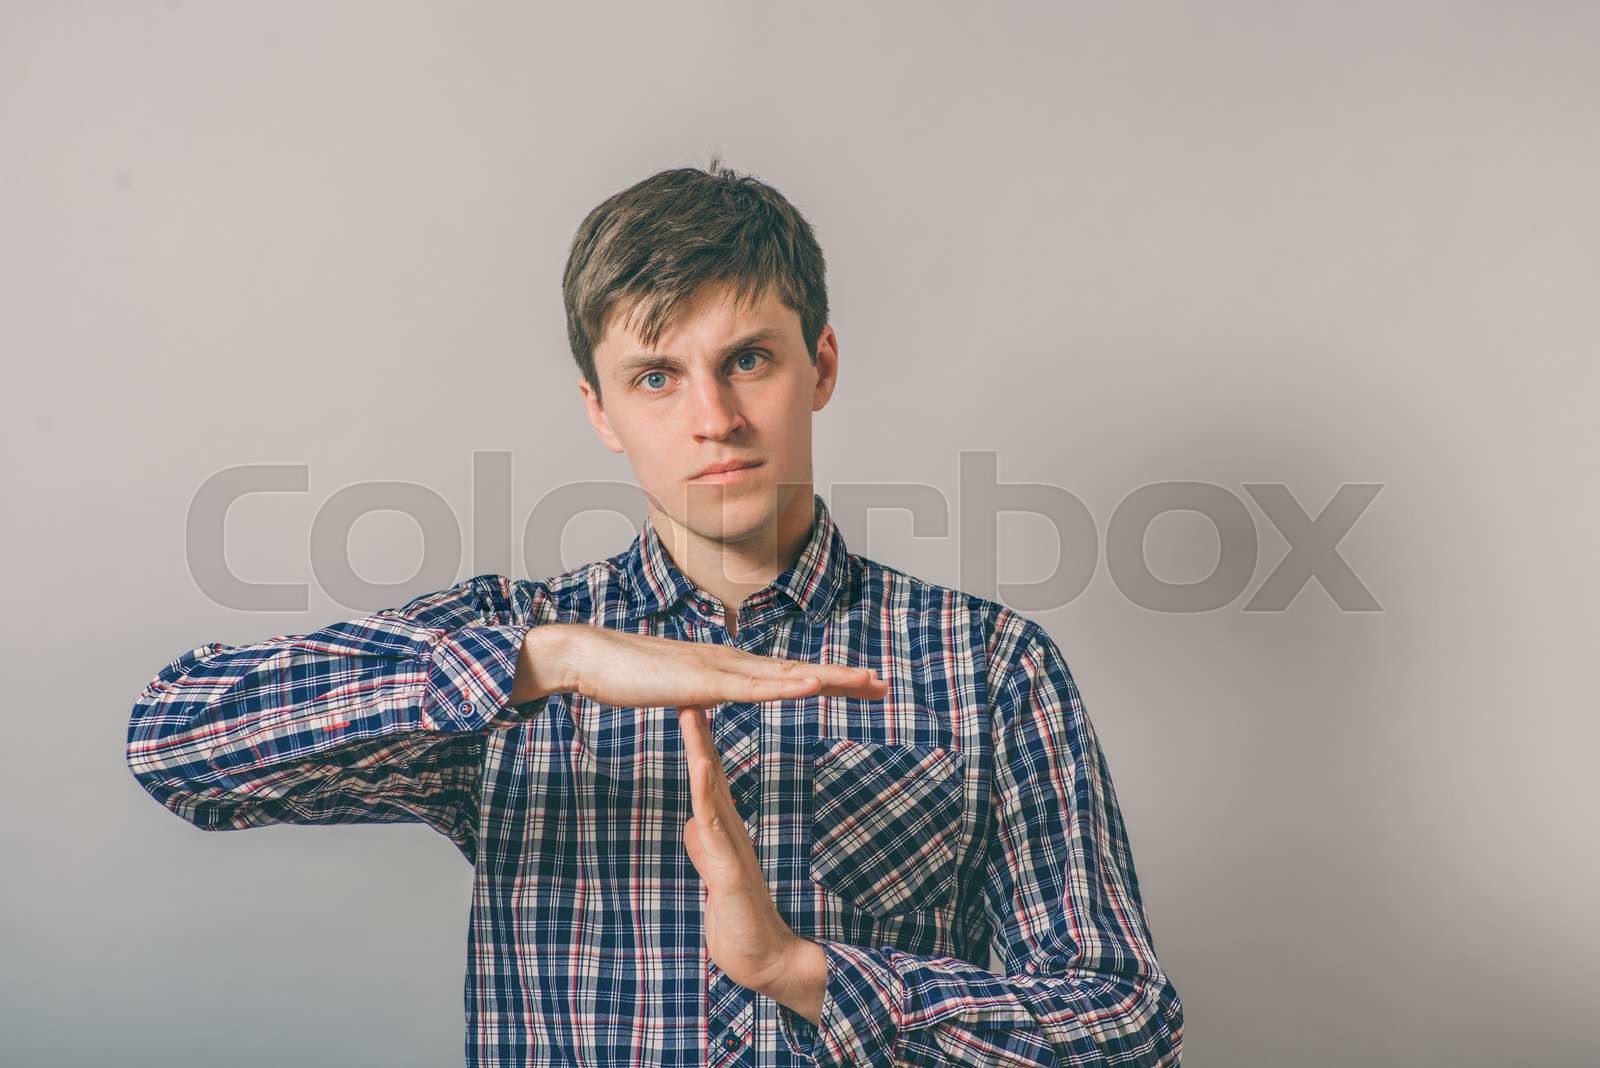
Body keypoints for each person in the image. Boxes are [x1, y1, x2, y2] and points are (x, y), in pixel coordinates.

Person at [126, 156, 1185, 1067]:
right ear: (599, 410)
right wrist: (551, 662)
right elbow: (175, 741)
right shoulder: (516, 647)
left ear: (818, 364)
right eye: (654, 377)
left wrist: (804, 973)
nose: (713, 419)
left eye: (747, 361)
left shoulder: (987, 664)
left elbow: (1122, 1021)